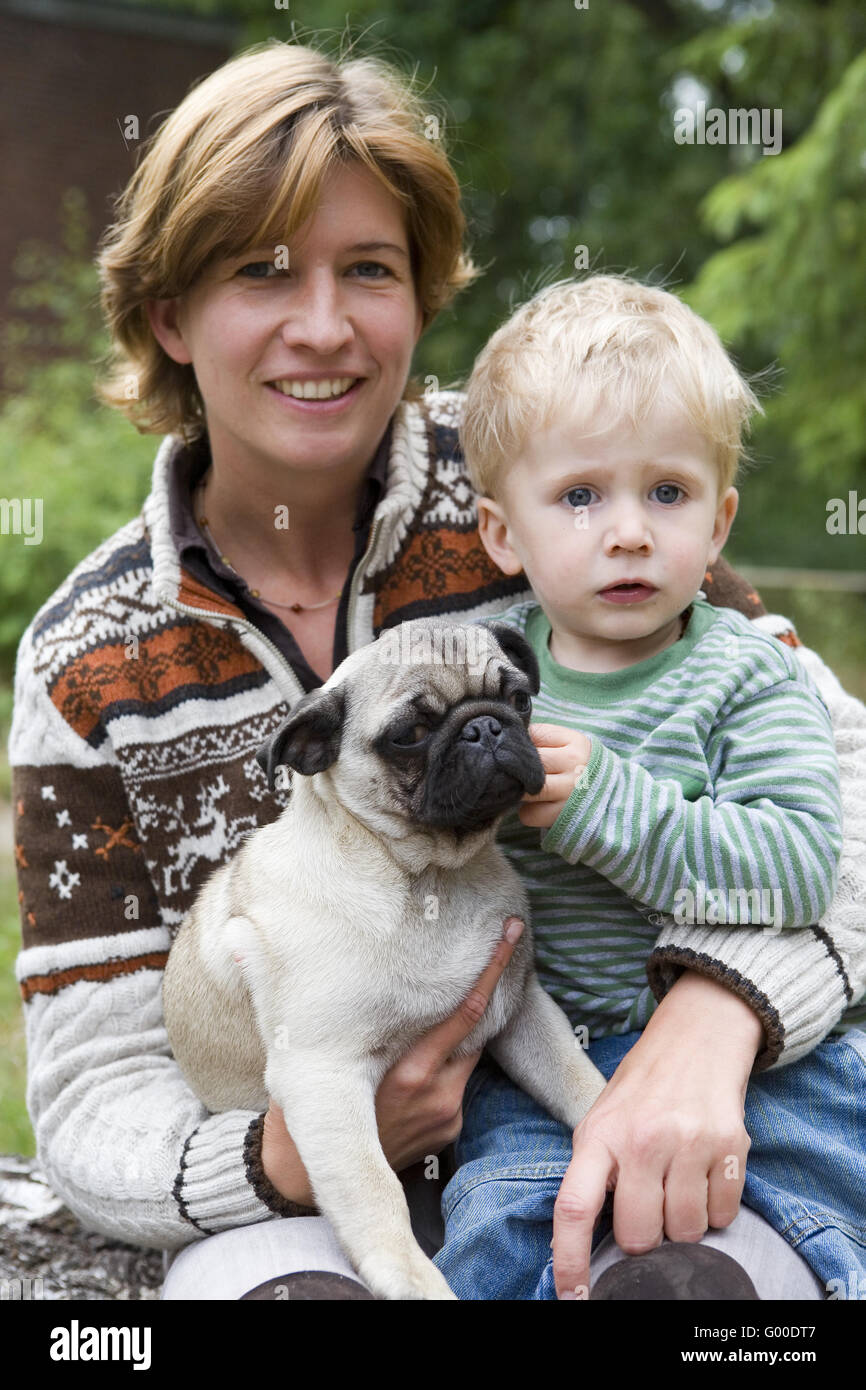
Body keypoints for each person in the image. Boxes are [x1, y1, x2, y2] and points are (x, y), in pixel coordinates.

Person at [9, 38, 865, 1302]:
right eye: (261, 273)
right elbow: (90, 1087)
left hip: (621, 1106)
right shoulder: (89, 661)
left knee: (697, 1300)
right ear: (168, 316)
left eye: (369, 269)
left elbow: (836, 791)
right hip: (294, 1195)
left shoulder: (555, 479)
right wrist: (280, 1154)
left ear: (420, 294)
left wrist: (716, 1009)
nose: (323, 324)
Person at [428, 274, 866, 1300]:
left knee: (800, 1233)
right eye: (579, 496)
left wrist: (611, 809)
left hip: (767, 1074)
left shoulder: (745, 673)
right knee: (496, 1236)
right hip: (545, 1076)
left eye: (664, 493)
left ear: (716, 525)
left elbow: (801, 868)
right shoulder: (489, 678)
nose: (626, 529)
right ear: (503, 534)